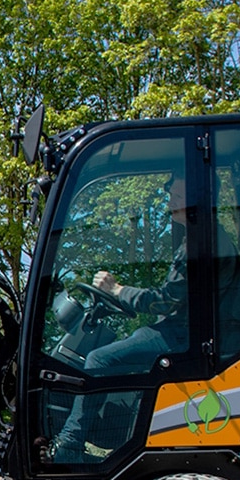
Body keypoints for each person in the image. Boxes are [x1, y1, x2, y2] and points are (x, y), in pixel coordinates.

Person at [51, 176, 191, 461]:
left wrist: (116, 290)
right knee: (130, 342)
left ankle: (69, 443)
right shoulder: (204, 239)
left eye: (177, 197)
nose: (170, 203)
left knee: (99, 360)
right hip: (184, 329)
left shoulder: (196, 245)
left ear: (195, 199)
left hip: (183, 334)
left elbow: (164, 299)